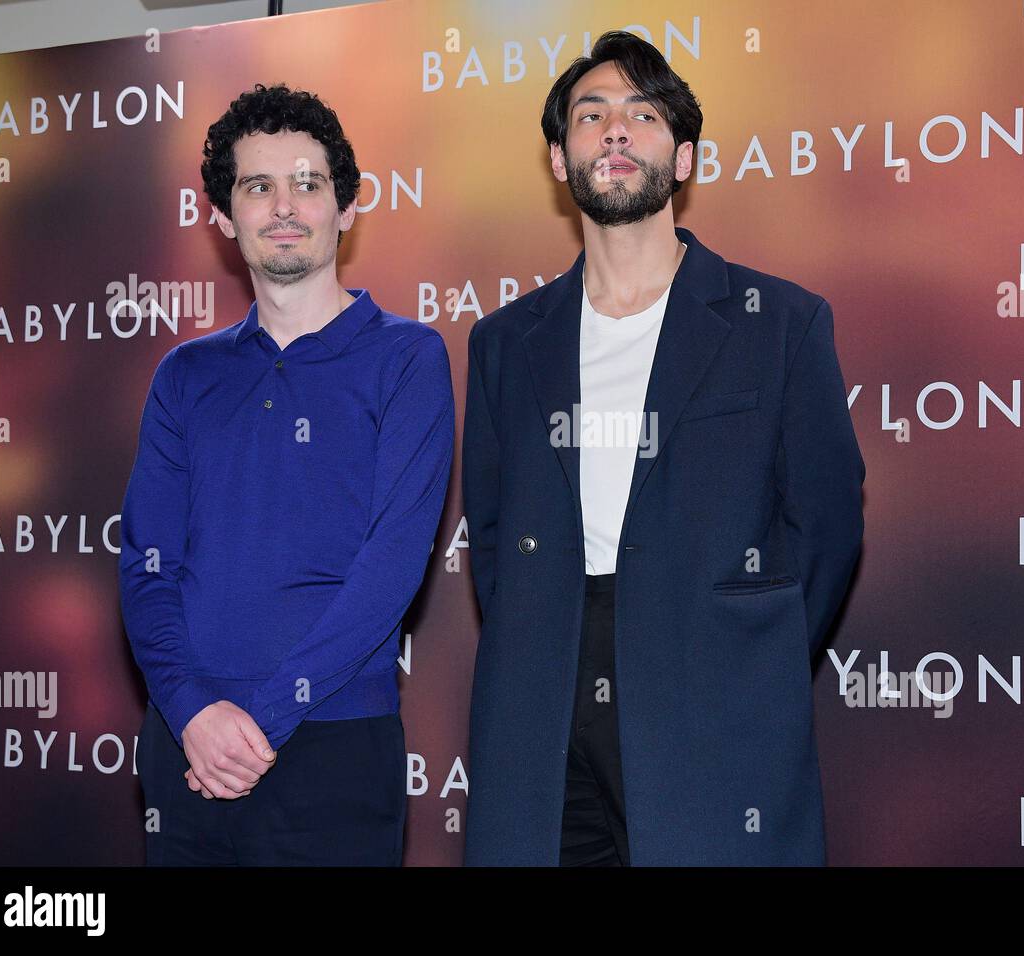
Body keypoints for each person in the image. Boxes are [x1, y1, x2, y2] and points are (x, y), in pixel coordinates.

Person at [461, 32, 865, 866]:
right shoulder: (505, 344)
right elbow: (494, 537)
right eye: (591, 114)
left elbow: (826, 526)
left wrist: (753, 659)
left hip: (714, 696)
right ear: (557, 155)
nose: (614, 131)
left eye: (641, 115)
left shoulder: (781, 324)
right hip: (543, 708)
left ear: (682, 159)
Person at [119, 83, 453, 865]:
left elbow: (391, 568)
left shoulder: (407, 359)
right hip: (186, 748)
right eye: (258, 186)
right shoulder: (183, 376)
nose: (284, 206)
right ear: (224, 218)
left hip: (334, 748)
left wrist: (260, 723)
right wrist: (196, 713)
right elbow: (146, 566)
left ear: (347, 207)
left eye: (308, 182)